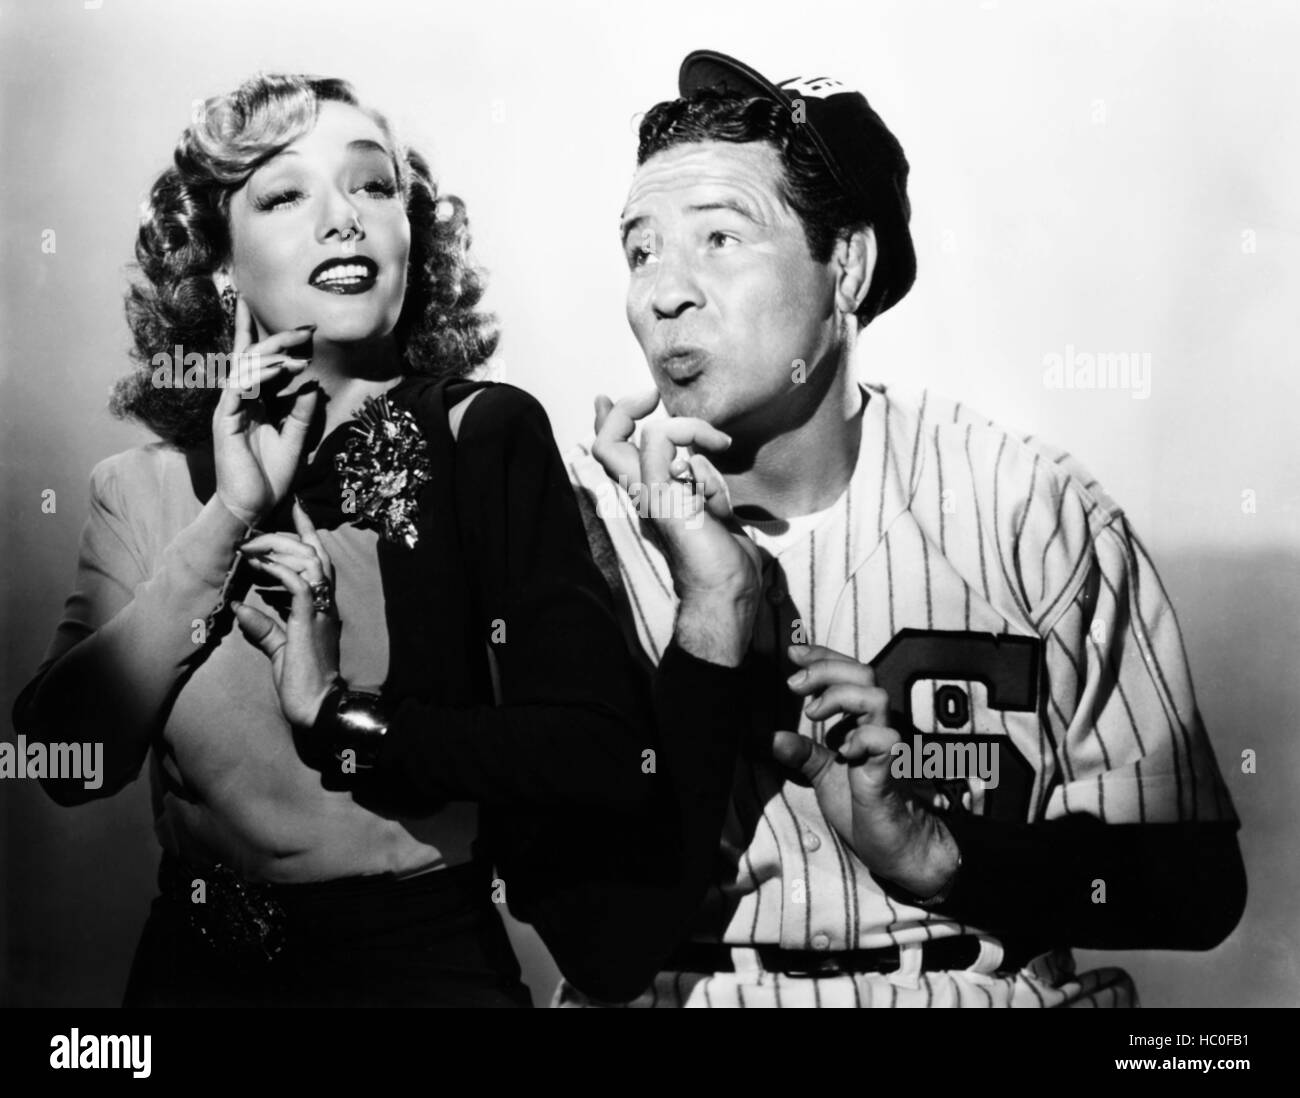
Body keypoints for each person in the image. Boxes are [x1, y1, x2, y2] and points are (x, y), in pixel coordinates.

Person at [11, 72, 756, 1007]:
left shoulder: (482, 437)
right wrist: (228, 520)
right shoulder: (141, 489)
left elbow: (598, 751)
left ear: (415, 235)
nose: (343, 220)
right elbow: (61, 765)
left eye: (372, 186)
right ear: (221, 268)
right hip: (193, 979)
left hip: (424, 972)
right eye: (285, 196)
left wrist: (341, 719)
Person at [561, 49, 1247, 1007]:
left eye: (719, 238)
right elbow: (594, 944)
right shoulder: (578, 531)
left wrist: (938, 854)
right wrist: (712, 619)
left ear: (848, 265)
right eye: (641, 249)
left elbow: (1197, 889)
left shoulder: (1030, 507)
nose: (664, 291)